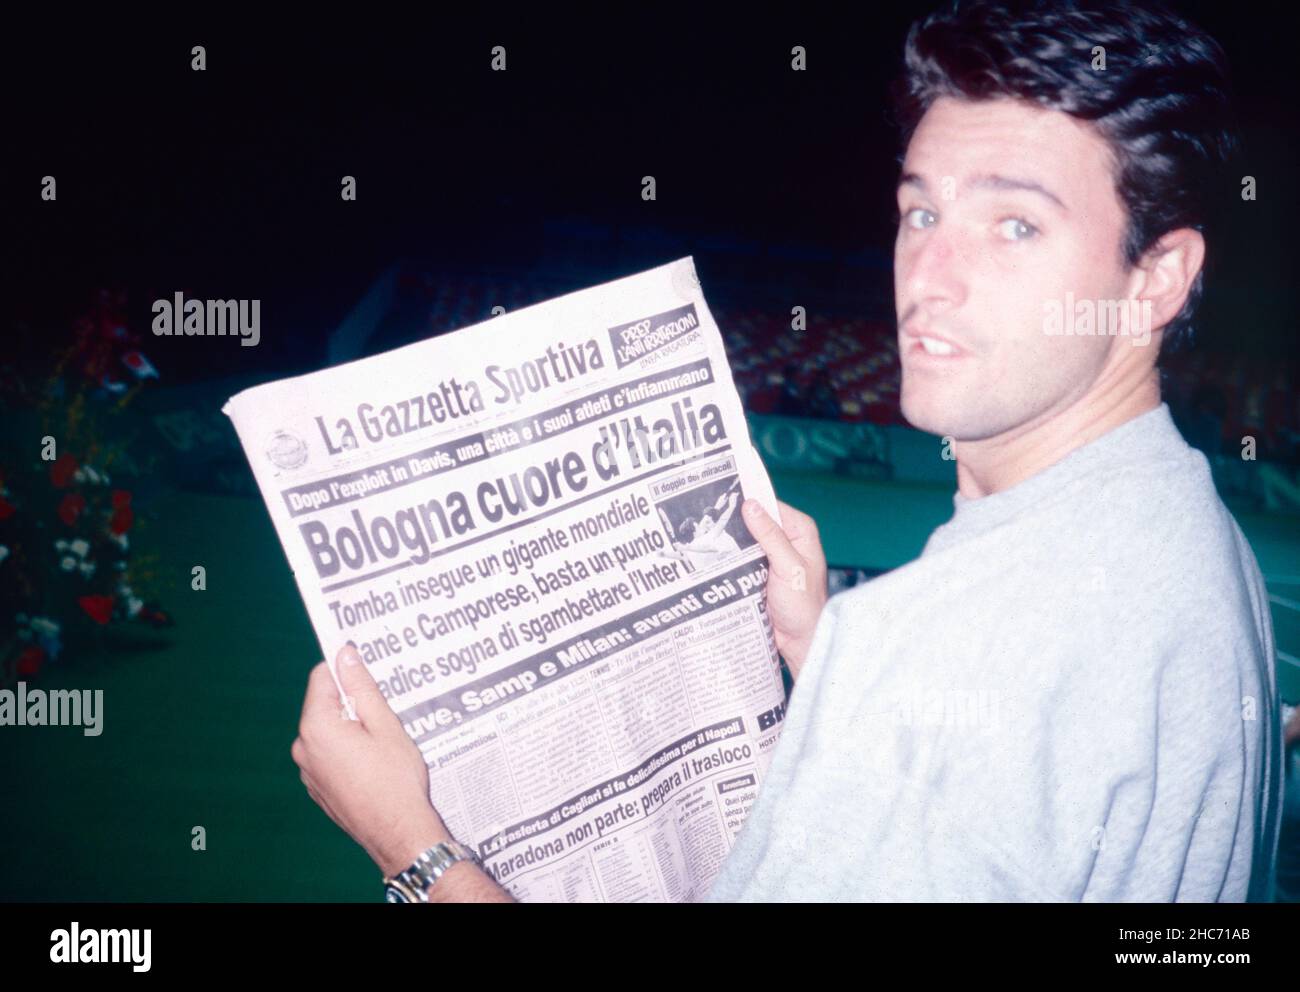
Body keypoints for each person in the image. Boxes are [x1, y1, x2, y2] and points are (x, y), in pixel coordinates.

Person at [291, 0, 1282, 902]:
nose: (928, 274)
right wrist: (828, 657)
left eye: (1014, 224)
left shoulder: (953, 641)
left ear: (1155, 280)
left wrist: (413, 846)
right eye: (921, 211)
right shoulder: (1186, 531)